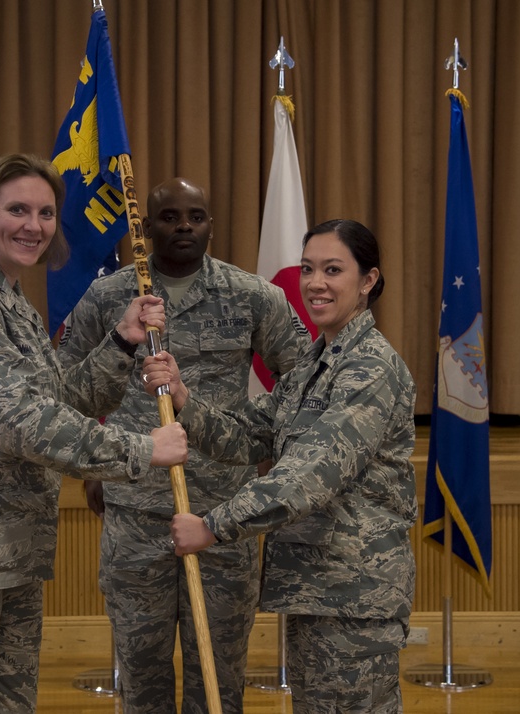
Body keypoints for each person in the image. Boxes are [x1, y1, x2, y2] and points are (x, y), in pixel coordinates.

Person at [0, 153, 188, 714]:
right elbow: (17, 420)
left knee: (8, 705)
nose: (33, 225)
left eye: (45, 213)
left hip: (5, 548)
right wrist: (142, 451)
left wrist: (120, 341)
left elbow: (57, 402)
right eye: (16, 209)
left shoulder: (9, 298)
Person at [144, 218, 418, 713]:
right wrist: (184, 399)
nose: (316, 283)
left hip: (355, 596)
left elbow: (309, 476)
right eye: (309, 268)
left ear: (368, 281)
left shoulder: (370, 367)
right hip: (315, 591)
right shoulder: (313, 365)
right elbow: (251, 434)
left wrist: (213, 526)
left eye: (333, 270)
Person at [57, 177, 309, 714]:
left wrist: (267, 447)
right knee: (141, 679)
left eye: (196, 216)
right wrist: (94, 463)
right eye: (170, 217)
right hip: (135, 514)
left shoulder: (252, 296)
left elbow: (304, 381)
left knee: (218, 680)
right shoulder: (107, 297)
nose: (184, 227)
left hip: (222, 517)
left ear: (211, 225)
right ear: (146, 229)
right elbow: (62, 389)